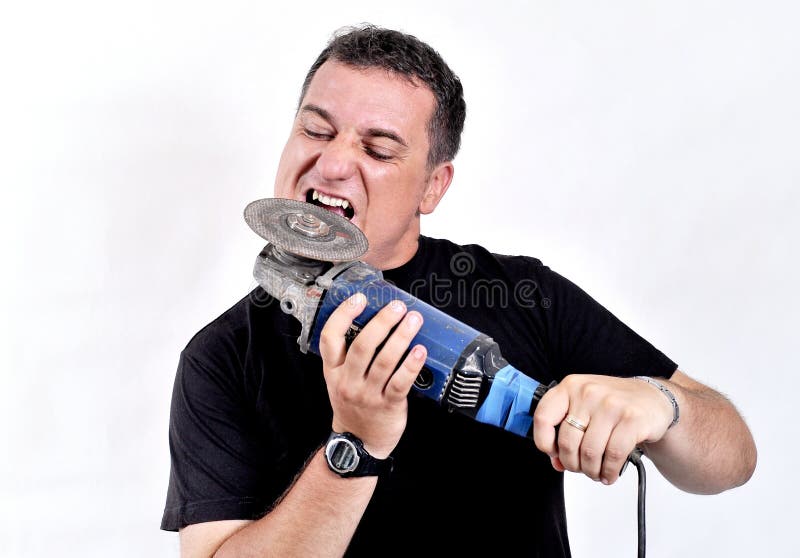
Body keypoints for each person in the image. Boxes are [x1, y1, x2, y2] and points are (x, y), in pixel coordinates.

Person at [161, 24, 757, 557]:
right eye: (317, 129)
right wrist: (355, 444)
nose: (334, 163)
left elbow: (733, 458)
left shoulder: (524, 296)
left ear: (433, 187)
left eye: (378, 148)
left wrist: (662, 405)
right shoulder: (221, 356)